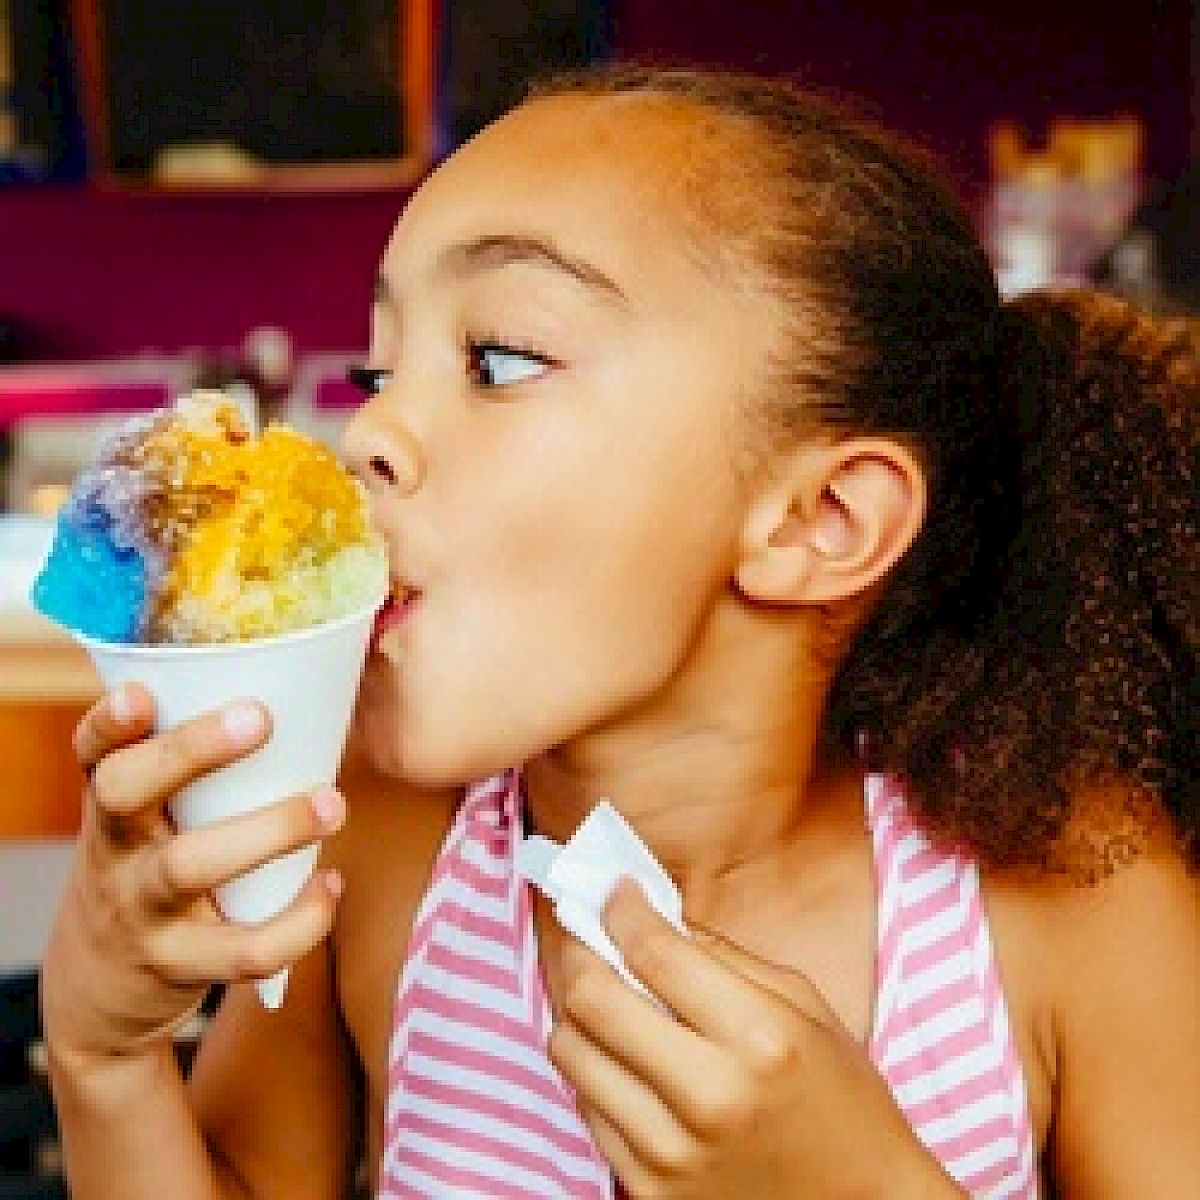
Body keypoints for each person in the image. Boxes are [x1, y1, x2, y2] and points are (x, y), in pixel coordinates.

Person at [40, 65, 1197, 1199]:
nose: (371, 433)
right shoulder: (371, 842)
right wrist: (106, 1059)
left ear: (822, 519)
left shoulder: (1076, 904)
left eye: (496, 361)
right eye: (376, 367)